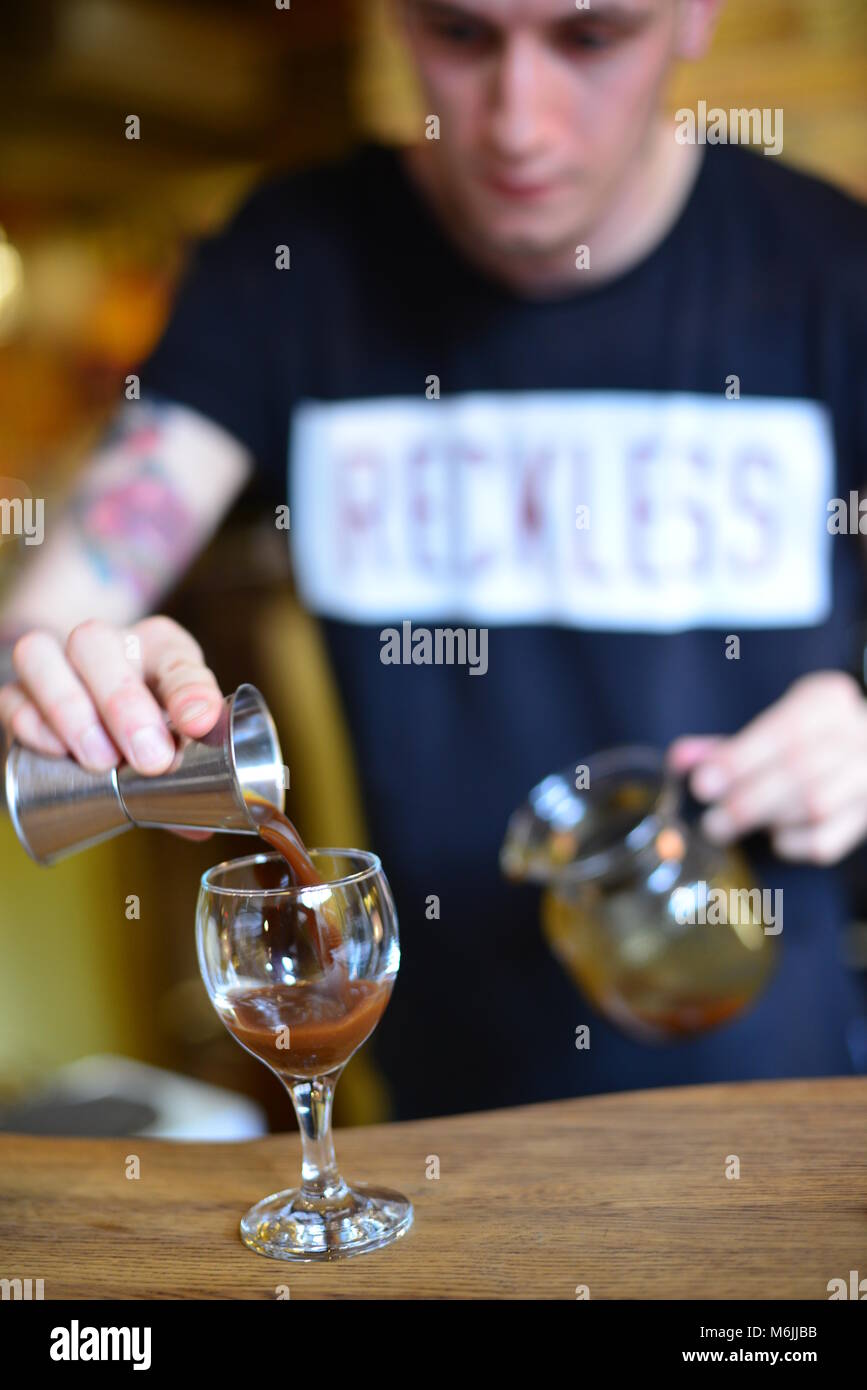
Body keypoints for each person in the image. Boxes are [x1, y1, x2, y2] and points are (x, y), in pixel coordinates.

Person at [1, 0, 866, 1118]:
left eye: (591, 39)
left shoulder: (829, 271)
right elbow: (59, 603)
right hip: (451, 1110)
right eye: (462, 36)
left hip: (786, 1094)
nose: (518, 122)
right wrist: (69, 665)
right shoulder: (292, 264)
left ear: (694, 16)